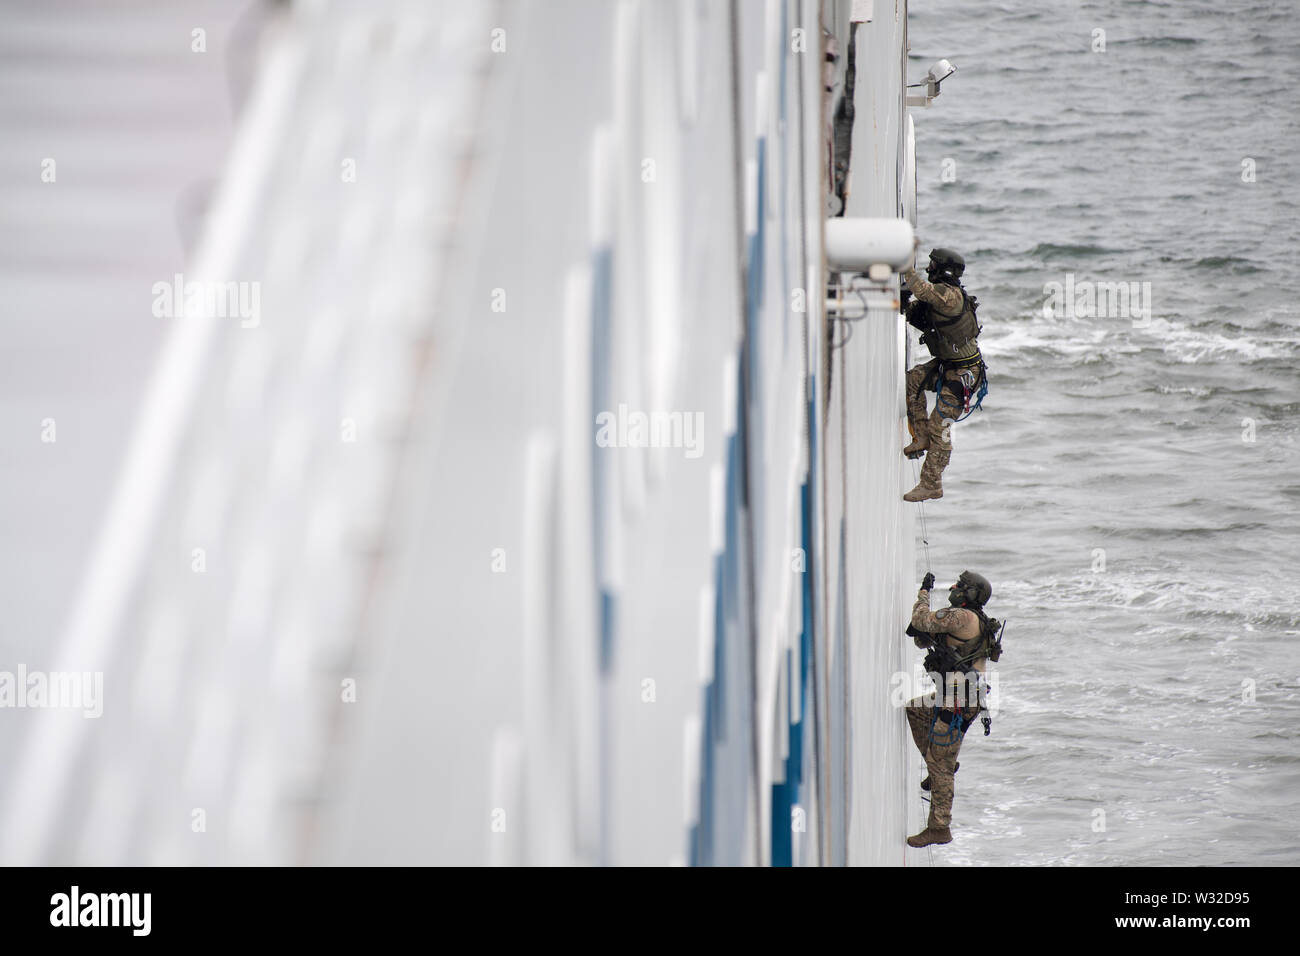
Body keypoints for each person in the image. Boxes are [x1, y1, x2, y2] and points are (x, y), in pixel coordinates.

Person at [903, 569, 1000, 848]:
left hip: (958, 699)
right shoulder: (974, 620)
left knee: (941, 764)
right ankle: (940, 765)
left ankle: (939, 827)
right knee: (916, 709)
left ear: (969, 594)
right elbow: (929, 635)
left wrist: (923, 592)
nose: (955, 587)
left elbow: (921, 619)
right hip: (959, 695)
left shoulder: (962, 616)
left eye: (961, 586)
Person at [900, 248, 986, 502]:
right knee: (913, 381)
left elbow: (923, 290)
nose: (929, 270)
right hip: (948, 364)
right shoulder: (941, 297)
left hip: (965, 373)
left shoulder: (949, 295)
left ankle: (931, 483)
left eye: (933, 266)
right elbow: (917, 308)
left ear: (943, 270)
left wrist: (905, 267)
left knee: (941, 426)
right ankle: (921, 435)